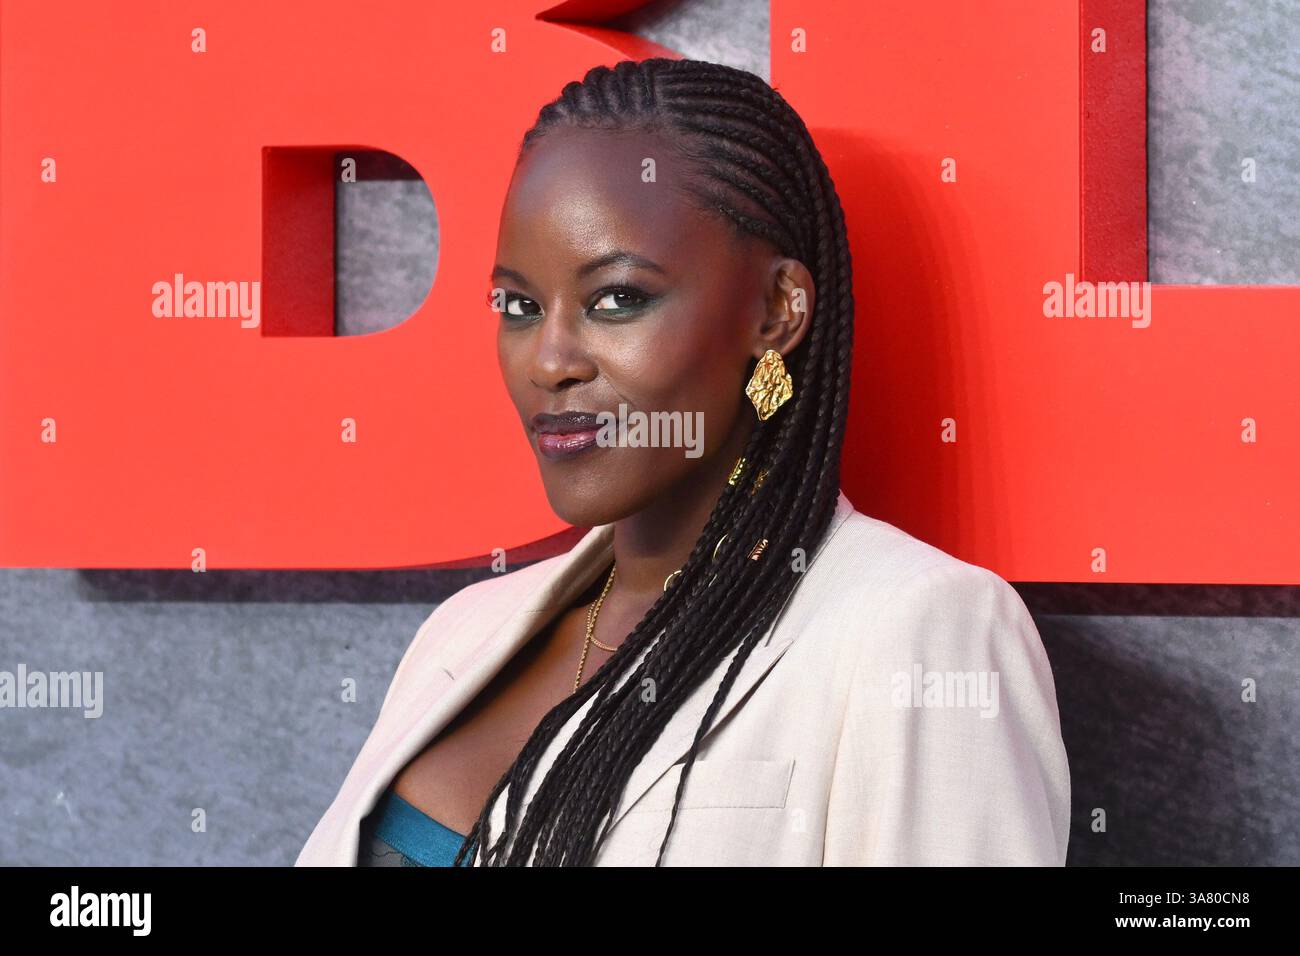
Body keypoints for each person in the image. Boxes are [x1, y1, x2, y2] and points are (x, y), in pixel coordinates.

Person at [296, 57, 1070, 867]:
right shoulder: (464, 631)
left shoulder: (919, 631)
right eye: (521, 307)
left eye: (617, 299)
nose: (549, 360)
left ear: (776, 311)